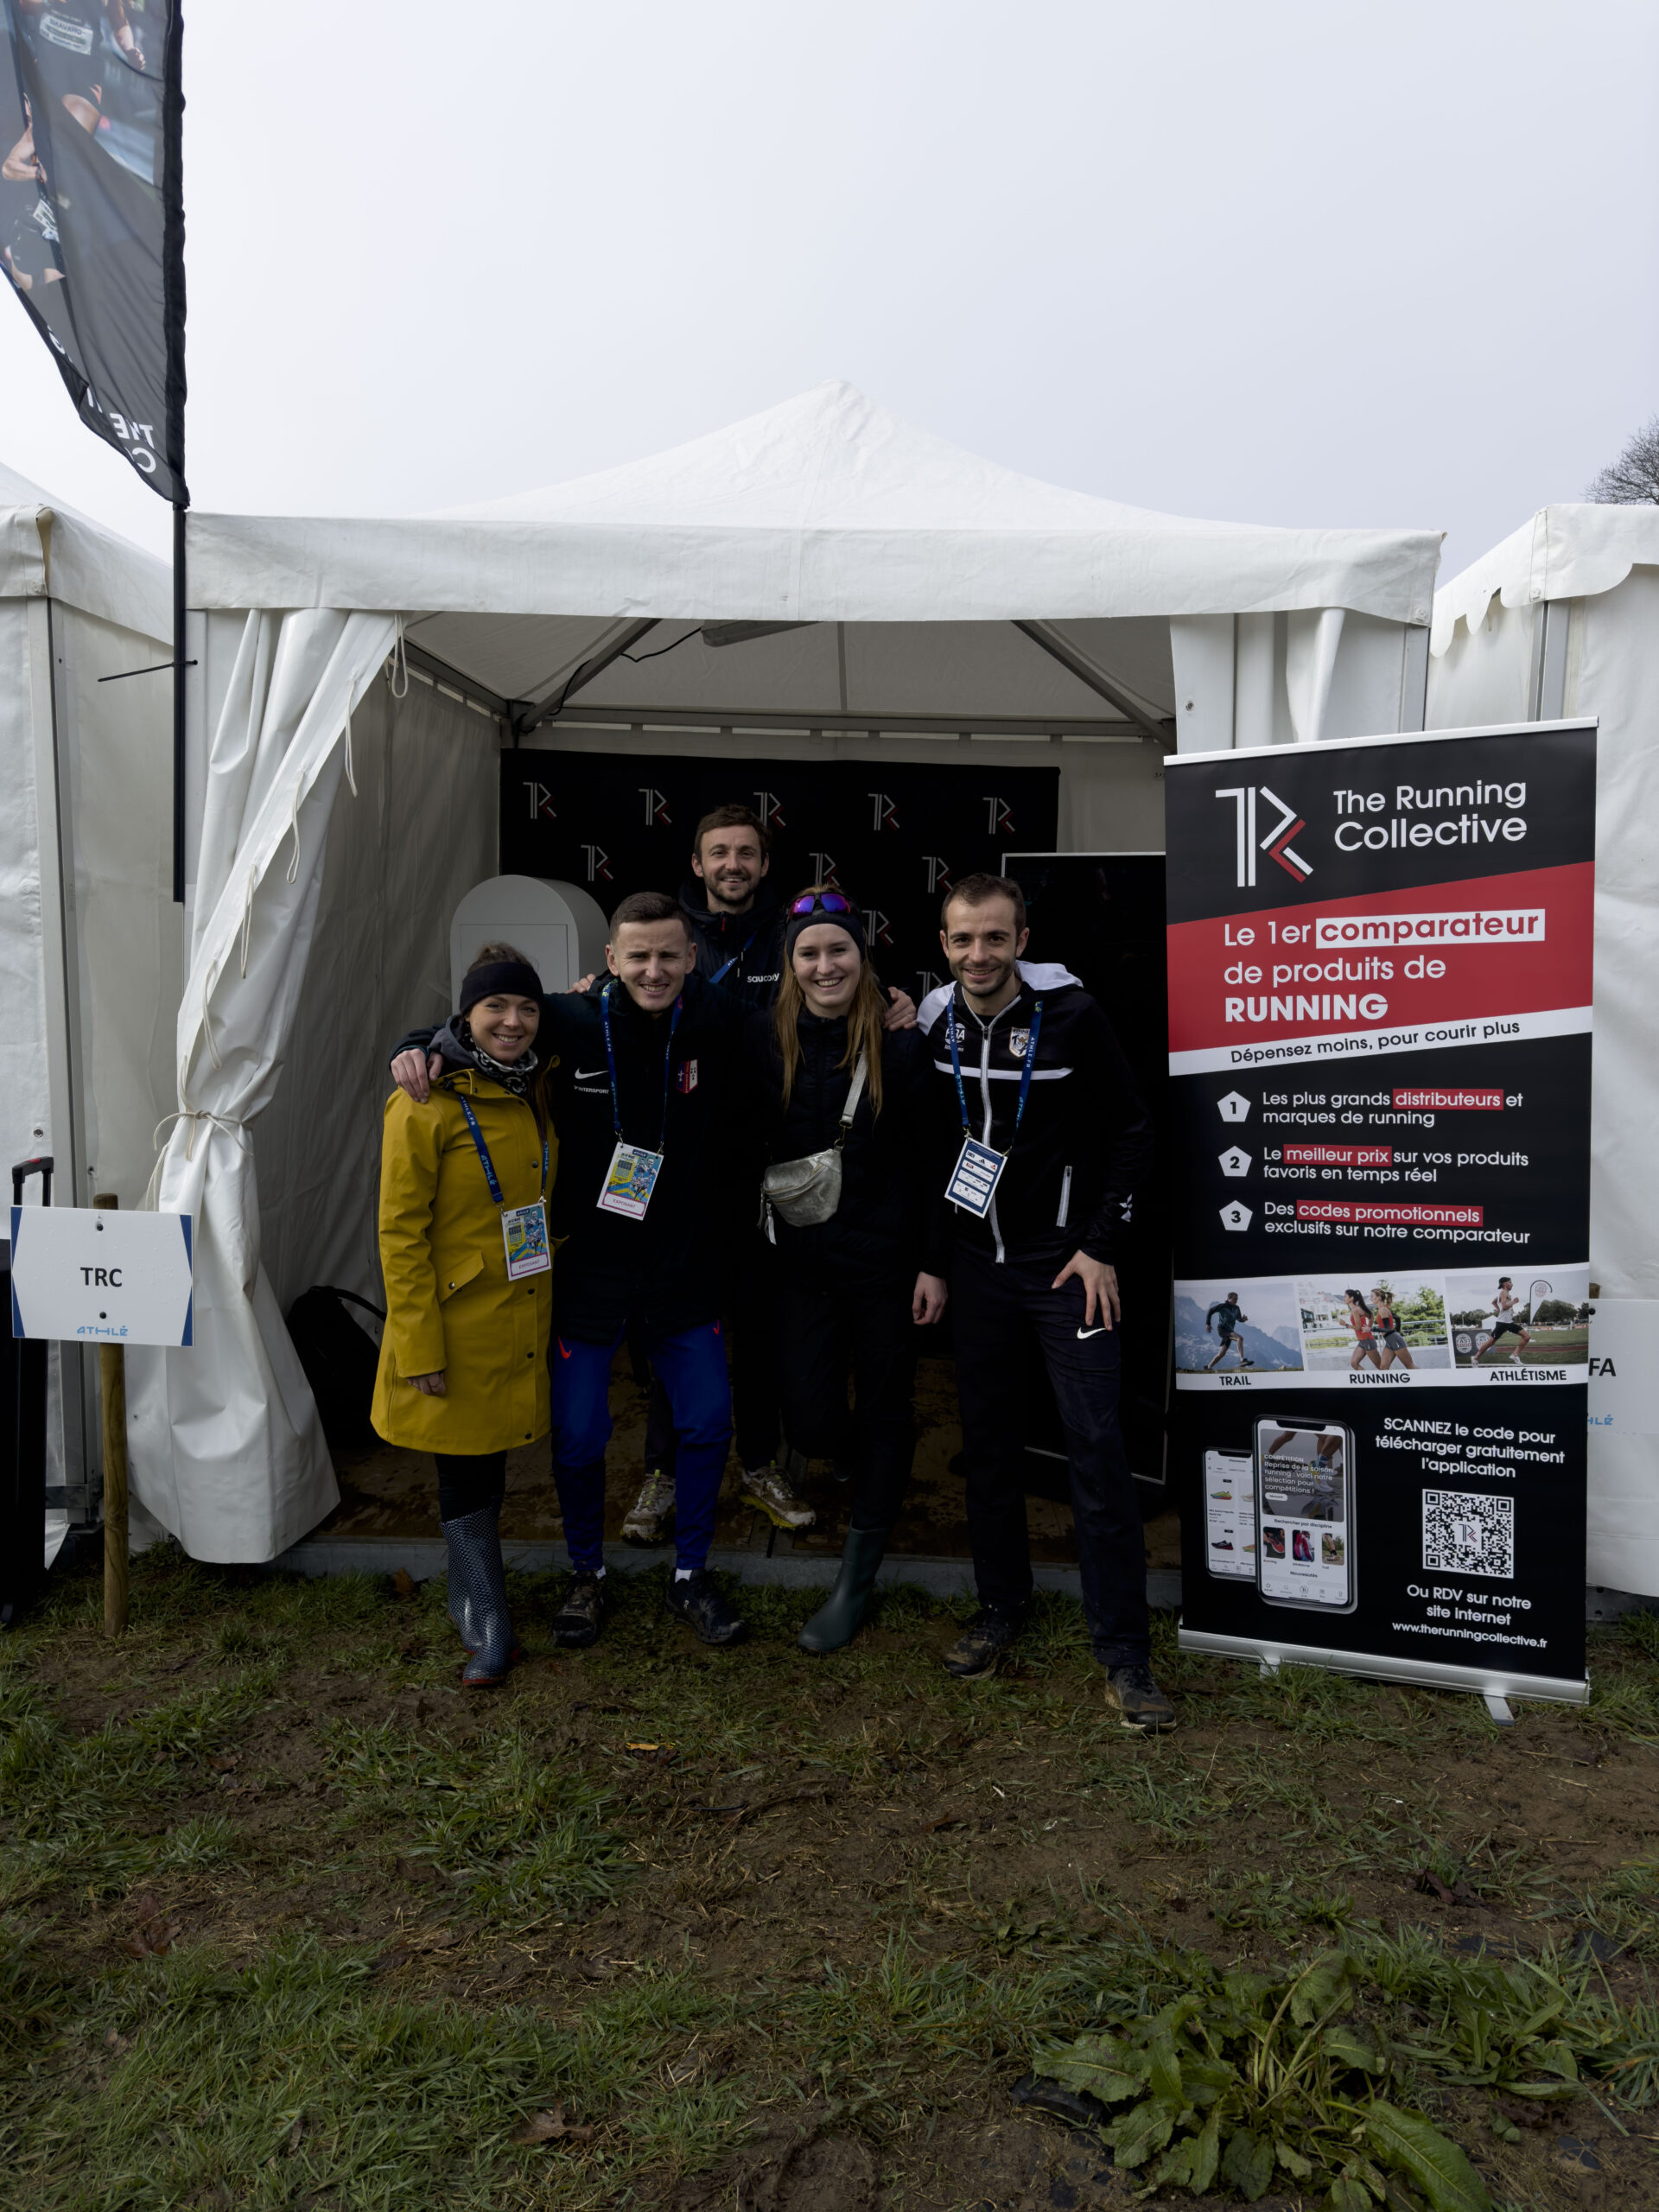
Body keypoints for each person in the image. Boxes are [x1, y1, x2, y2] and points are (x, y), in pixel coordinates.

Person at [392, 893, 752, 1650]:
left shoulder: (721, 1016)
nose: (654, 971)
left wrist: (896, 1008)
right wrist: (416, 1041)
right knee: (581, 1436)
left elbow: (814, 1017)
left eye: (669, 956)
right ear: (610, 962)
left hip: (685, 1270)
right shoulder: (570, 1018)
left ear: (692, 959)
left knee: (709, 1422)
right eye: (638, 957)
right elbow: (485, 1024)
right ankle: (586, 1574)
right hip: (590, 1271)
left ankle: (692, 1573)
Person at [925, 874, 1171, 1730]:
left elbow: (1136, 1131)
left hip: (1063, 1270)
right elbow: (933, 1150)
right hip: (977, 1269)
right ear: (944, 945)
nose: (979, 954)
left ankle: (1125, 1655)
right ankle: (1002, 1607)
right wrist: (935, 1262)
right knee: (988, 1449)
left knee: (1097, 1454)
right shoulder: (934, 1021)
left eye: (995, 938)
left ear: (1022, 940)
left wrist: (1100, 1244)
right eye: (963, 940)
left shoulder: (1072, 1017)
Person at [746, 888, 949, 1654]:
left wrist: (935, 1265)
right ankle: (860, 1465)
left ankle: (855, 1580)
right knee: (816, 1420)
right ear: (790, 965)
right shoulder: (761, 1039)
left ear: (863, 959)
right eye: (809, 953)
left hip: (888, 1268)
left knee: (889, 1409)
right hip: (799, 1267)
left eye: (839, 951)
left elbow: (935, 1162)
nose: (825, 965)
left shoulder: (901, 1044)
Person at [371, 947, 555, 1689]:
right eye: (495, 1009)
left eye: (527, 1009)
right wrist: (418, 1346)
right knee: (464, 1474)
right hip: (452, 1325)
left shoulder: (535, 1086)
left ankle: (466, 1595)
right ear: (466, 1018)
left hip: (518, 1315)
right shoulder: (423, 1103)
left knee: (490, 1462)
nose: (513, 1022)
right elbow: (398, 1233)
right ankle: (490, 1625)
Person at [1474, 1277, 1532, 1364]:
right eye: (1510, 1282)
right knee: (1490, 1343)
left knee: (1527, 1337)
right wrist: (1514, 1302)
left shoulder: (1505, 1294)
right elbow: (1504, 1307)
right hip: (1502, 1323)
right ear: (1504, 1284)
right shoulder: (1503, 1292)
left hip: (1509, 1322)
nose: (1512, 1284)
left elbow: (1494, 1302)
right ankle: (1475, 1358)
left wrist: (1499, 1310)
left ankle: (1515, 1355)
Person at [1204, 1292, 1253, 1370]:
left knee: (1222, 1354)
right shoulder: (1223, 1306)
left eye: (1237, 1299)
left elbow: (1238, 1318)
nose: (1236, 1301)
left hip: (1230, 1331)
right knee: (1240, 1338)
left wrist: (1242, 1320)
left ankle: (1208, 1367)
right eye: (1234, 1299)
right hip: (1222, 1329)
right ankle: (1242, 1360)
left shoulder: (1237, 1308)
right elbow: (1210, 1311)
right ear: (1229, 1298)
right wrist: (1208, 1324)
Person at [1370, 1287, 1416, 1370]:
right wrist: (1397, 1331)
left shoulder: (1383, 1310)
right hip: (1389, 1342)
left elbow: (1388, 1329)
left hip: (1395, 1340)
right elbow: (1397, 1318)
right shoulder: (1383, 1308)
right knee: (1383, 1368)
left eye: (1372, 1296)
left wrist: (1372, 1329)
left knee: (1410, 1366)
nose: (1370, 1298)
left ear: (1379, 1298)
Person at [1344, 1289, 1381, 1371]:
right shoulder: (1356, 1309)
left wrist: (1345, 1324)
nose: (1344, 1298)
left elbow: (1358, 1327)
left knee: (1381, 1367)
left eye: (1345, 1296)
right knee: (1354, 1363)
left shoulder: (1355, 1310)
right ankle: (1368, 1382)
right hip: (1362, 1341)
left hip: (1367, 1341)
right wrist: (1369, 1328)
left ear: (1351, 1298)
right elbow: (1370, 1316)